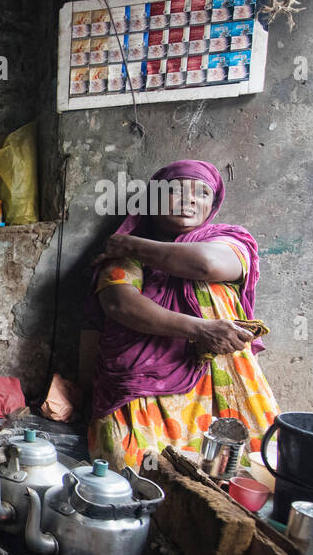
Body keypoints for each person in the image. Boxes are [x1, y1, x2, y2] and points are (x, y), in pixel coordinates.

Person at [87, 159, 279, 469]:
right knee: (128, 468)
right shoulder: (127, 256)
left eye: (202, 193)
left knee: (247, 470)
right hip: (143, 380)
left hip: (219, 375)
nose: (189, 199)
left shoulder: (231, 241)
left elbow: (204, 264)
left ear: (212, 204)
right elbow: (119, 304)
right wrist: (201, 330)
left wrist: (130, 244)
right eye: (175, 190)